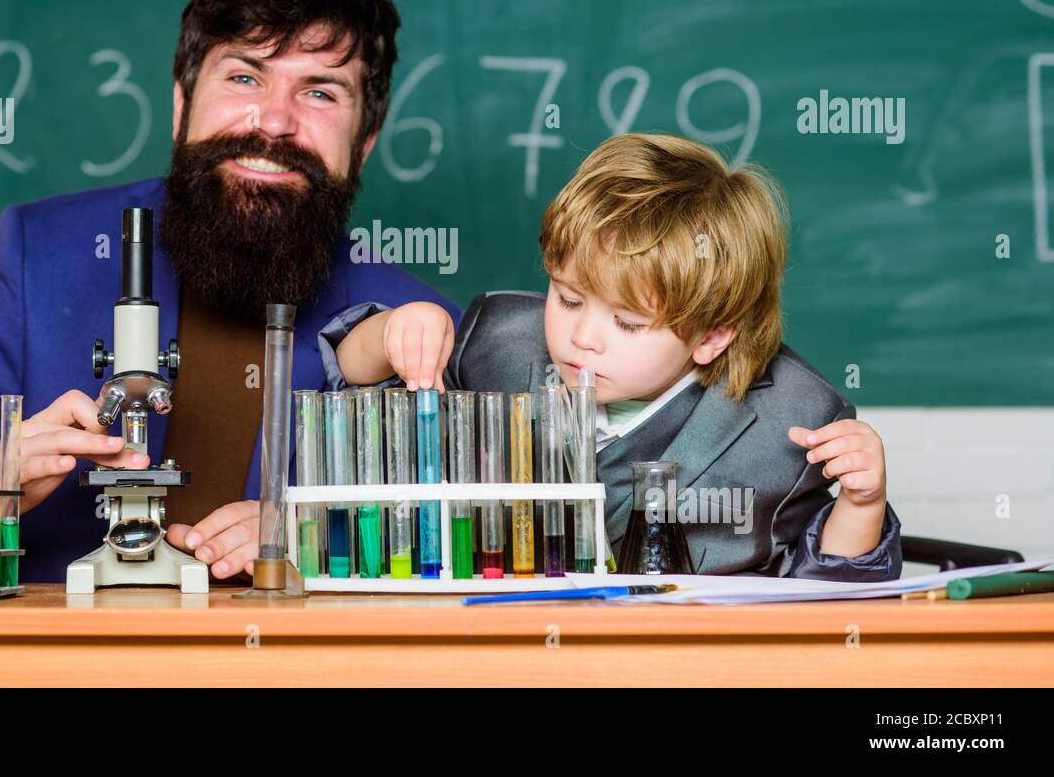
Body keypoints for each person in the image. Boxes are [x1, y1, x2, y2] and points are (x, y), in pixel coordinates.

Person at [0, 0, 459, 586]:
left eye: (320, 93)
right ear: (181, 104)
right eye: (244, 77)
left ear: (364, 141)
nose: (274, 121)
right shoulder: (41, 260)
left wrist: (320, 533)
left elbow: (494, 542)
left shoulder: (410, 328)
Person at [327, 133, 901, 580]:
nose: (585, 338)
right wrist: (388, 336)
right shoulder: (495, 340)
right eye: (568, 298)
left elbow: (827, 592)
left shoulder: (795, 421)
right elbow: (358, 397)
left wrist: (862, 502)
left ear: (711, 337)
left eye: (628, 322)